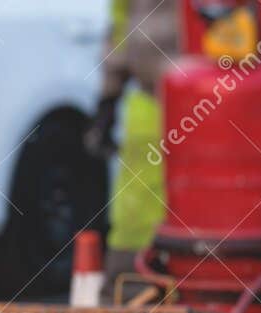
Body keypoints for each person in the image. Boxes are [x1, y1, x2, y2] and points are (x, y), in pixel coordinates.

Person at [88, 0, 182, 279]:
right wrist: (108, 98)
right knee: (136, 219)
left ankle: (137, 287)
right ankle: (132, 285)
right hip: (155, 100)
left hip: (219, 97)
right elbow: (120, 25)